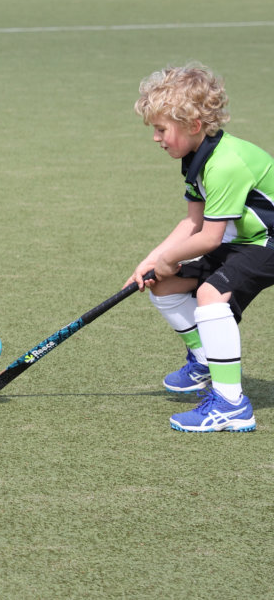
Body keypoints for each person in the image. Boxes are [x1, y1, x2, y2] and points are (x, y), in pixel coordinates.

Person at [129, 63, 273, 432]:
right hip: (244, 240)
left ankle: (231, 404)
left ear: (193, 126)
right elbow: (192, 223)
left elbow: (209, 238)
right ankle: (206, 361)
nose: (156, 138)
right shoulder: (196, 158)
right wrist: (152, 261)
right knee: (163, 284)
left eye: (162, 129)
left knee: (211, 294)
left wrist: (168, 258)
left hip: (267, 242)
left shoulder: (225, 163)